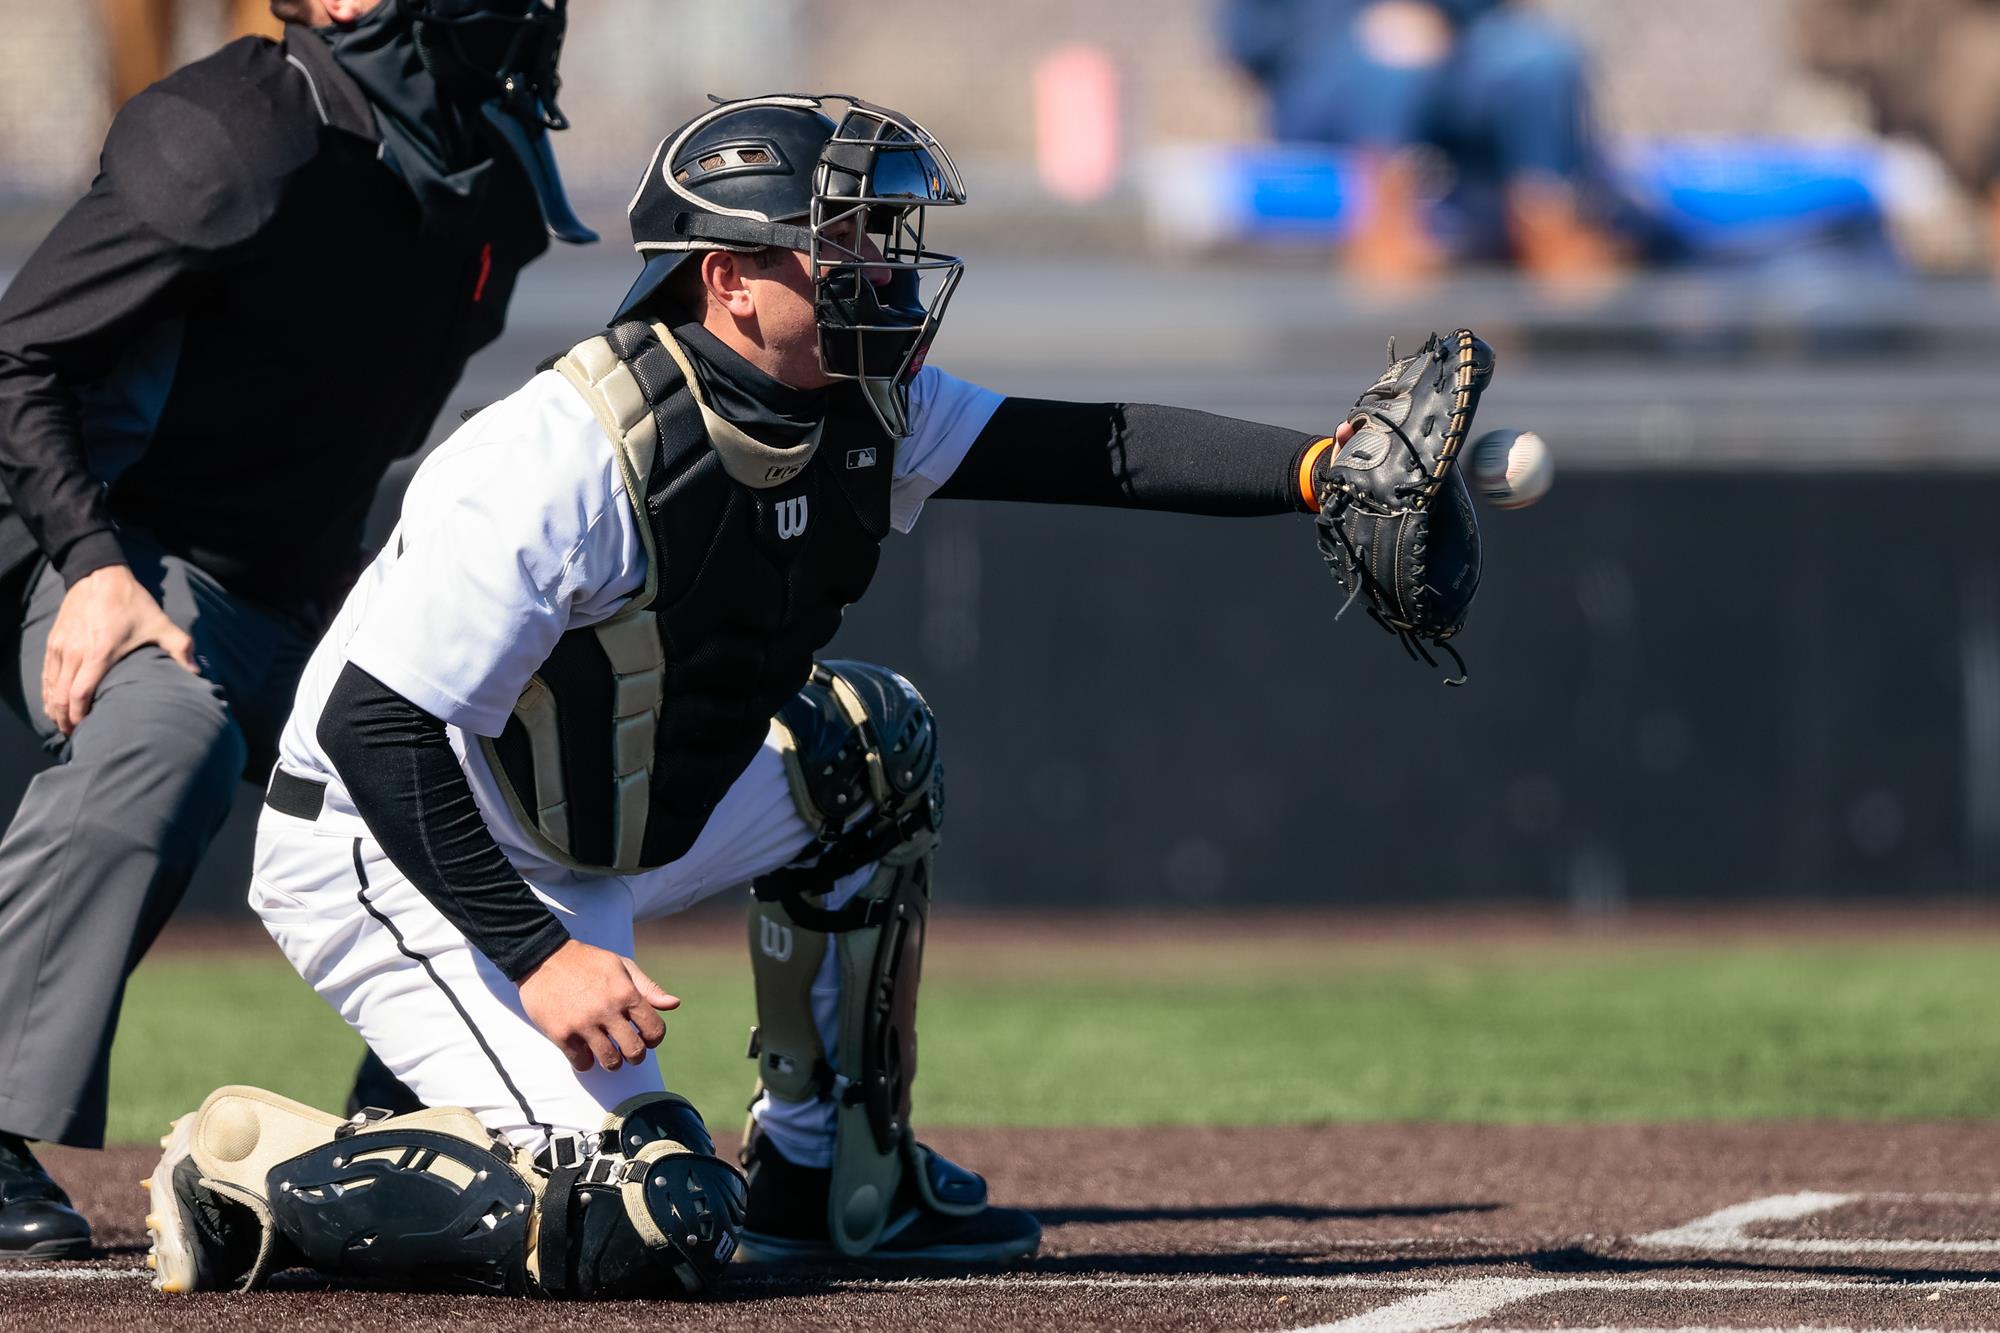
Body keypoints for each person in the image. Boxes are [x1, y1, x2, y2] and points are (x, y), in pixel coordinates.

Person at [142, 93, 1492, 1298]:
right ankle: (263, 1175)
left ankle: (835, 1174)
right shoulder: (564, 457)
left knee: (871, 746)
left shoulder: (855, 396)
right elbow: (376, 731)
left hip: (588, 813)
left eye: (881, 236)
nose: (880, 269)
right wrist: (539, 956)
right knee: (645, 1225)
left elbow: (1095, 447)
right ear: (729, 281)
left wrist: (1325, 469)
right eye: (841, 243)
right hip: (393, 843)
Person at [0, 0, 596, 1261]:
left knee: (507, 761)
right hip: (104, 540)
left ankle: (429, 1129)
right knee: (166, 731)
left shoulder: (485, 185)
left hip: (301, 583)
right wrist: (94, 562)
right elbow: (19, 358)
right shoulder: (228, 134)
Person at [1221, 0, 1639, 283]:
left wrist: (1430, 11)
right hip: (1324, 69)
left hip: (1455, 42)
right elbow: (1250, 40)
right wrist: (1364, 26)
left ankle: (1550, 225)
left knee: (1540, 57)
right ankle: (1387, 235)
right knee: (1393, 61)